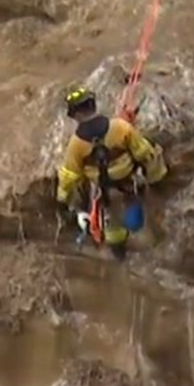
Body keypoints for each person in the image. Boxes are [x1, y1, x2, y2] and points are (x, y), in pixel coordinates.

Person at [54, 86, 168, 259]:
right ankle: (153, 238)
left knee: (113, 226)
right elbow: (145, 153)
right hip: (129, 185)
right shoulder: (121, 128)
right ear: (93, 105)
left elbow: (69, 177)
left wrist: (63, 200)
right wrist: (156, 178)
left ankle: (119, 254)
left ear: (75, 115)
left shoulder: (75, 145)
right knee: (132, 220)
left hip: (105, 192)